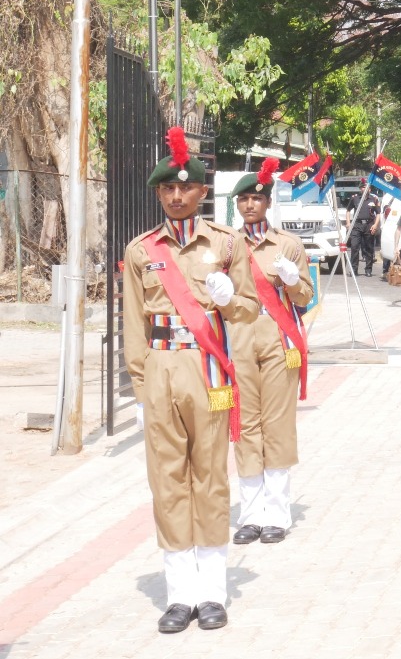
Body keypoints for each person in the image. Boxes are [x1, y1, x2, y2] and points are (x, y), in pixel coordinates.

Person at [122, 128, 257, 634]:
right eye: (167, 189)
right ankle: (180, 594)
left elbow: (248, 310)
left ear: (202, 192)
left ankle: (213, 592)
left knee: (211, 478)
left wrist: (227, 298)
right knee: (168, 481)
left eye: (185, 188)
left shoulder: (225, 244)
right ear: (159, 193)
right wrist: (141, 391)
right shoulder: (142, 250)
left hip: (208, 371)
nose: (176, 196)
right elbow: (133, 325)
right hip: (161, 368)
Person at [229, 159, 313, 546]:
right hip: (240, 339)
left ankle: (277, 514)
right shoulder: (226, 245)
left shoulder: (287, 245)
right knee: (246, 426)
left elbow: (306, 297)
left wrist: (293, 282)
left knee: (276, 425)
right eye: (243, 199)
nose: (249, 205)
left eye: (256, 199)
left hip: (279, 341)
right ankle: (250, 515)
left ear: (267, 203)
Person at [346, 182, 380, 276]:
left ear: (370, 189)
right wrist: (348, 223)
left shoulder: (374, 199)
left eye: (367, 187)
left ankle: (368, 270)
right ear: (360, 188)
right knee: (354, 247)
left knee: (369, 248)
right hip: (357, 225)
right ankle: (354, 269)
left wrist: (375, 225)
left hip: (369, 225)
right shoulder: (355, 198)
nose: (365, 189)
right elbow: (348, 210)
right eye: (363, 187)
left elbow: (378, 213)